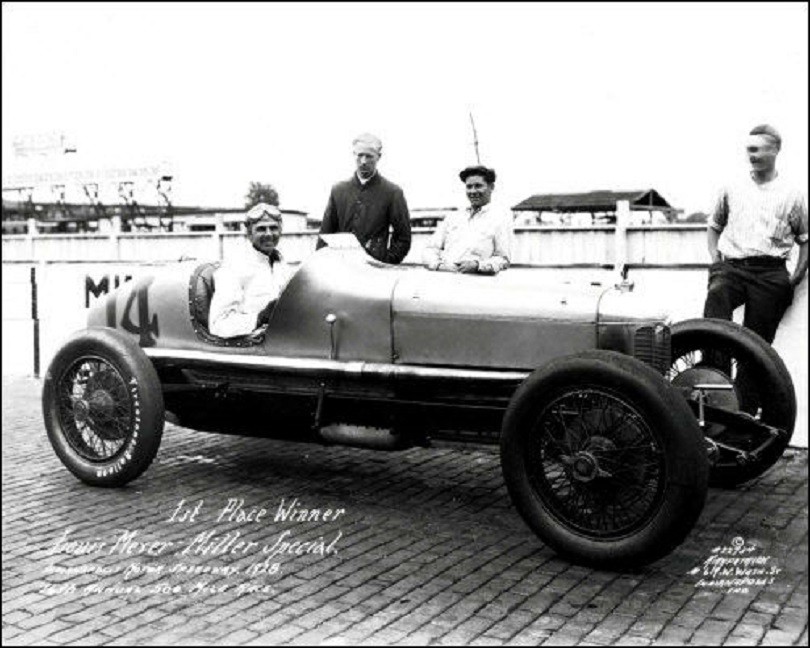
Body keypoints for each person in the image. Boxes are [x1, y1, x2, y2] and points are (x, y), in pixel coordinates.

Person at [703, 124, 808, 344]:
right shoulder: (731, 187)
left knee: (756, 345)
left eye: (757, 150)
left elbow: (805, 239)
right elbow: (714, 227)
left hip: (771, 273)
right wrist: (716, 260)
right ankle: (716, 372)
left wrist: (796, 276)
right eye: (749, 149)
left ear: (775, 151)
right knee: (716, 300)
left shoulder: (792, 194)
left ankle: (746, 379)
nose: (751, 156)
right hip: (733, 269)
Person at [317, 133, 411, 263]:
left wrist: (385, 262)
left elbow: (403, 238)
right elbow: (325, 234)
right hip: (340, 267)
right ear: (354, 154)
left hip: (374, 271)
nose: (363, 161)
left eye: (369, 156)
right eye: (360, 155)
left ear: (379, 157)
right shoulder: (338, 190)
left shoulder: (393, 192)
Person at [208, 203, 293, 338]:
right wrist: (259, 318)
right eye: (261, 229)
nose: (269, 234)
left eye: (273, 228)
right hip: (255, 349)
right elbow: (218, 324)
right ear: (248, 233)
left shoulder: (282, 264)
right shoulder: (233, 268)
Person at [423, 165, 513, 274]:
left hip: (476, 284)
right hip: (445, 281)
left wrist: (478, 265)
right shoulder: (453, 217)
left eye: (478, 186)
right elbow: (429, 249)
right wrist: (439, 265)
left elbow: (504, 259)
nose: (473, 191)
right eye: (469, 187)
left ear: (491, 187)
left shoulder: (499, 219)